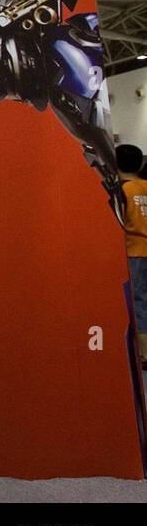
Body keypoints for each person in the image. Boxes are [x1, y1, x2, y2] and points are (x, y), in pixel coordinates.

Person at [117, 144, 147, 369]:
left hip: (134, 252)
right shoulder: (146, 186)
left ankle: (144, 353)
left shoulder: (121, 191)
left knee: (138, 303)